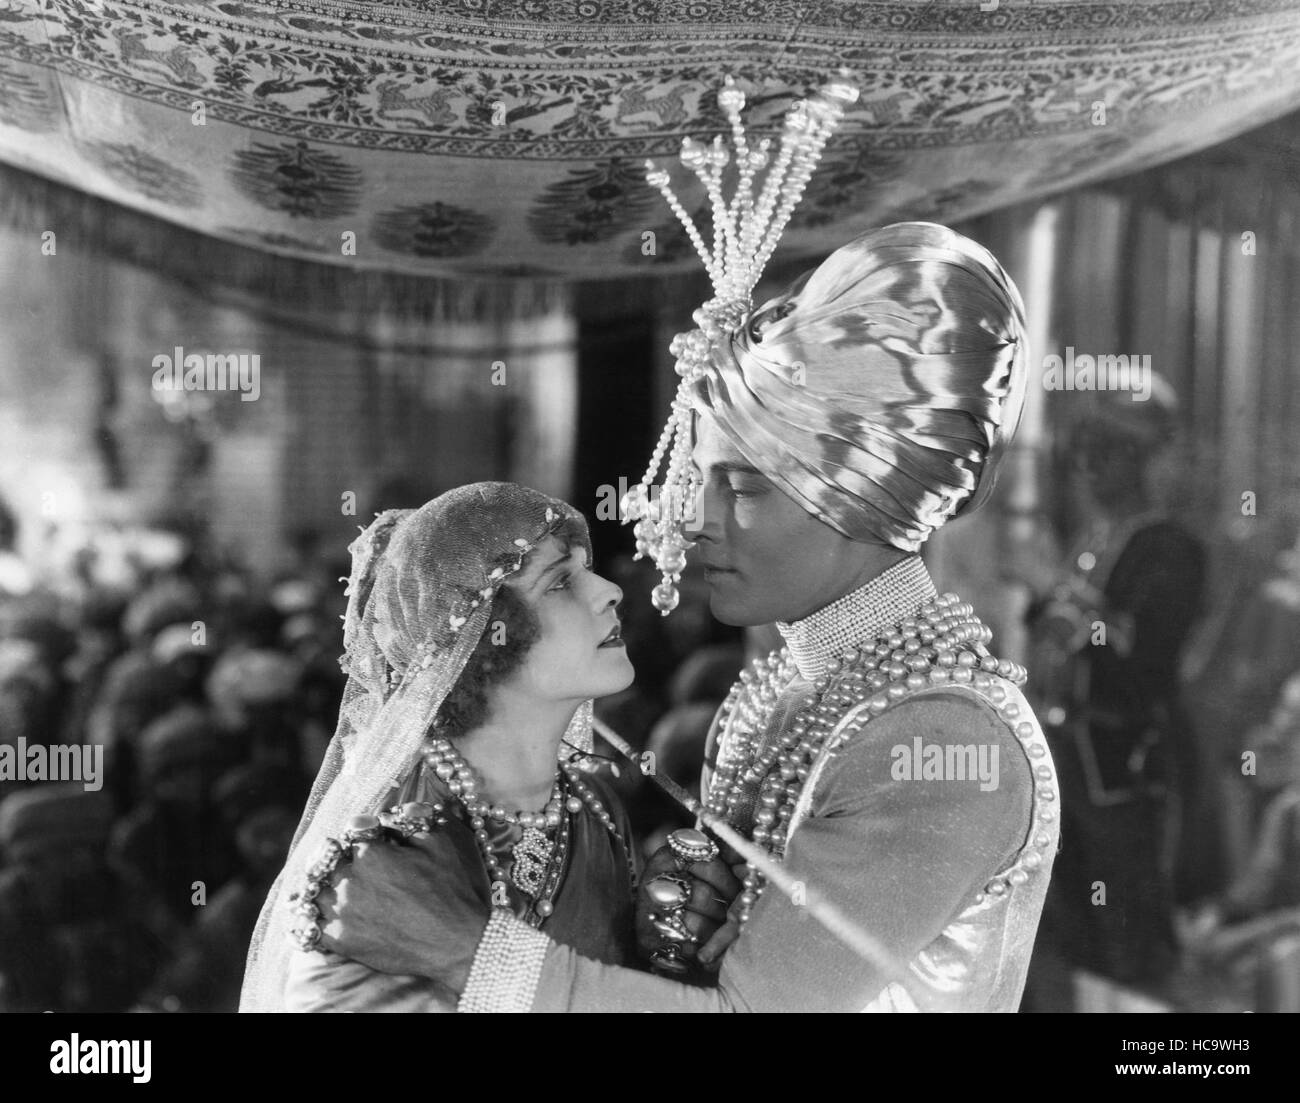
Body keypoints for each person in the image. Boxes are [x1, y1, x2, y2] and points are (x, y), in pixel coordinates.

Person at [306, 77, 1059, 1012]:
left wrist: (462, 948)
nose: (696, 518)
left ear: (860, 497)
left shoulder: (940, 742)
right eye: (700, 478)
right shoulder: (782, 689)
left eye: (741, 488)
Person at [239, 482, 639, 1011]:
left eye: (588, 570)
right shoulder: (389, 855)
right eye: (560, 581)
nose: (609, 591)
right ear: (483, 638)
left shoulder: (596, 807)